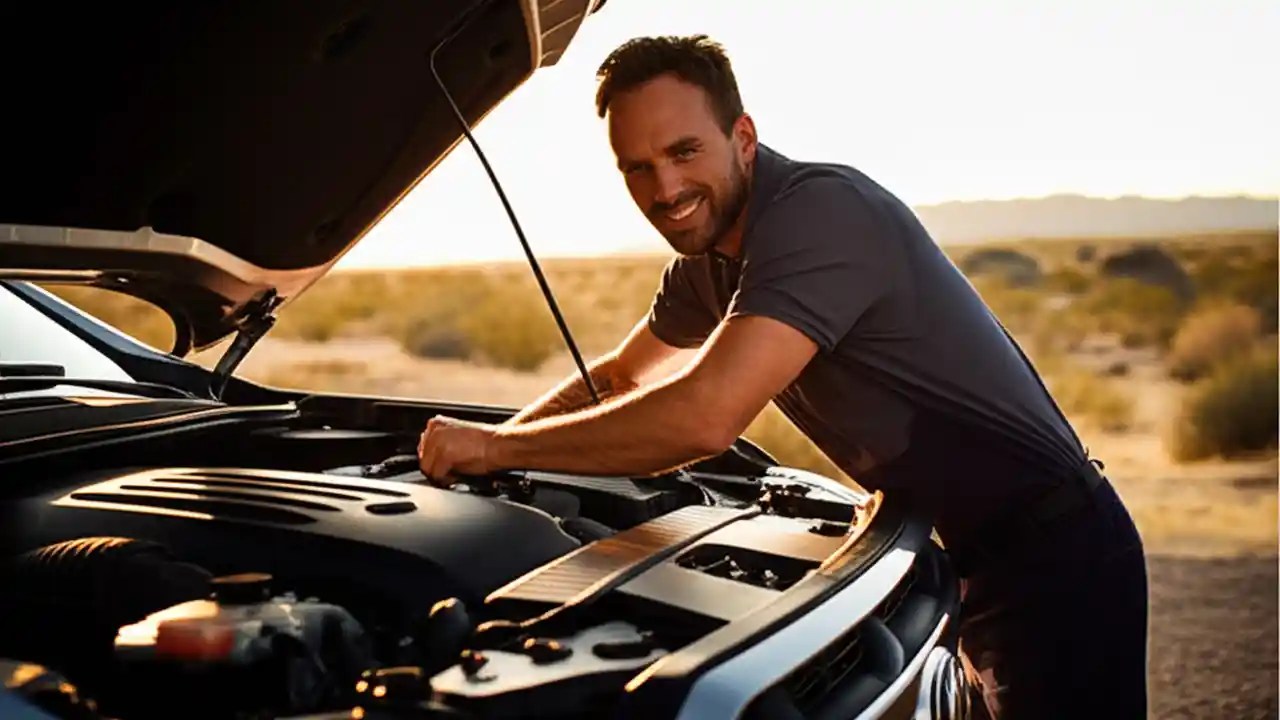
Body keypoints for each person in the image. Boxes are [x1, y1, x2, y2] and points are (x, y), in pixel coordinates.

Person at [416, 34, 1149, 719]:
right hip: (961, 559)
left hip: (1057, 561)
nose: (665, 188)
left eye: (683, 151)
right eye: (637, 167)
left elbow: (705, 418)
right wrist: (490, 457)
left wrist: (495, 448)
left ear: (743, 136)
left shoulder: (820, 214)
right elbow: (621, 379)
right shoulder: (707, 265)